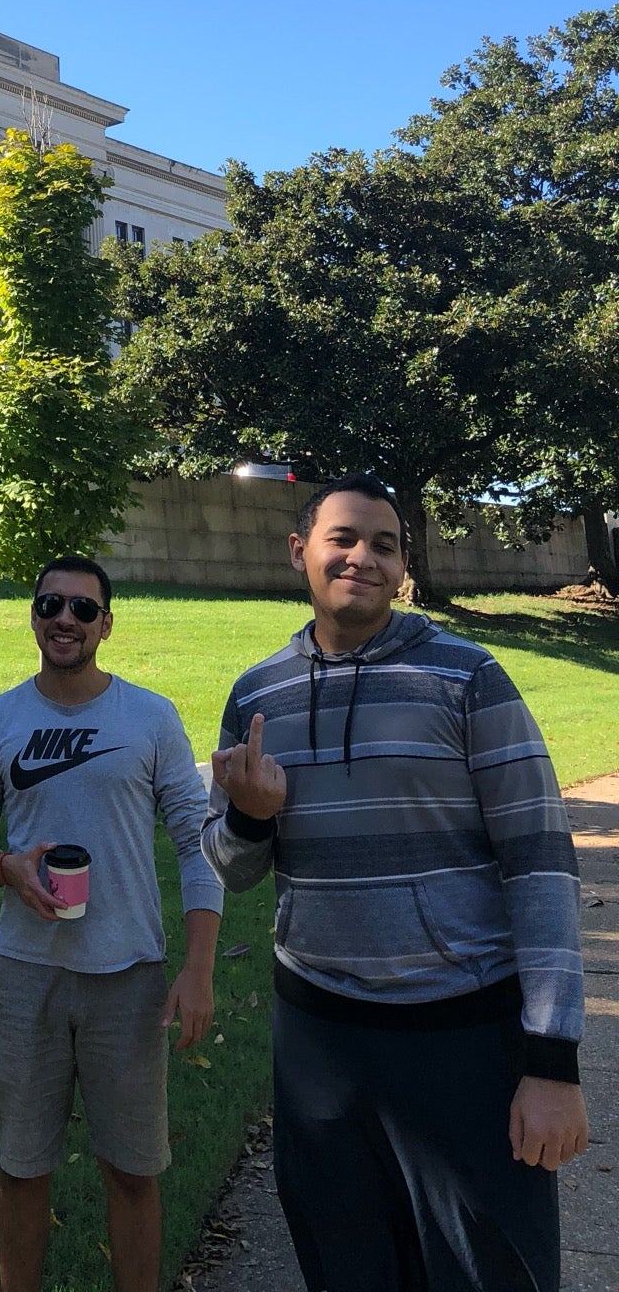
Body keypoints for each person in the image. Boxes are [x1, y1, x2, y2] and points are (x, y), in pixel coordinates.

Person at [203, 472, 587, 1292]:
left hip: (463, 1037)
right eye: (343, 538)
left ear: (404, 566)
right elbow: (235, 871)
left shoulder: (467, 677)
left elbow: (541, 861)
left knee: (488, 1275)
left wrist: (552, 1062)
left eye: (385, 544)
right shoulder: (256, 695)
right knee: (346, 1267)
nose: (362, 558)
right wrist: (250, 816)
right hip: (321, 1042)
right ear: (298, 552)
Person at [0, 554, 223, 1292]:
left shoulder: (150, 717)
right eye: (50, 606)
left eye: (81, 609)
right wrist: (4, 866)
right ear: (32, 616)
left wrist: (197, 970)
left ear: (106, 624)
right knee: (20, 1168)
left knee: (132, 1172)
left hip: (127, 978)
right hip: (26, 974)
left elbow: (198, 846)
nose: (64, 620)